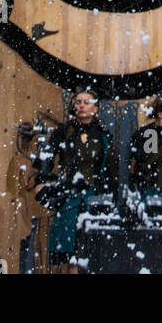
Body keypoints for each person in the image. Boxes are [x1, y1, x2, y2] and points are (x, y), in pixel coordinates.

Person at [32, 90, 114, 269]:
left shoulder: (104, 135)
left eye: (87, 102)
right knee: (69, 256)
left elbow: (109, 169)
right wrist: (41, 180)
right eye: (78, 102)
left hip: (93, 199)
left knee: (92, 254)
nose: (82, 106)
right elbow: (47, 155)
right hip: (69, 197)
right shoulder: (64, 131)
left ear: (96, 107)